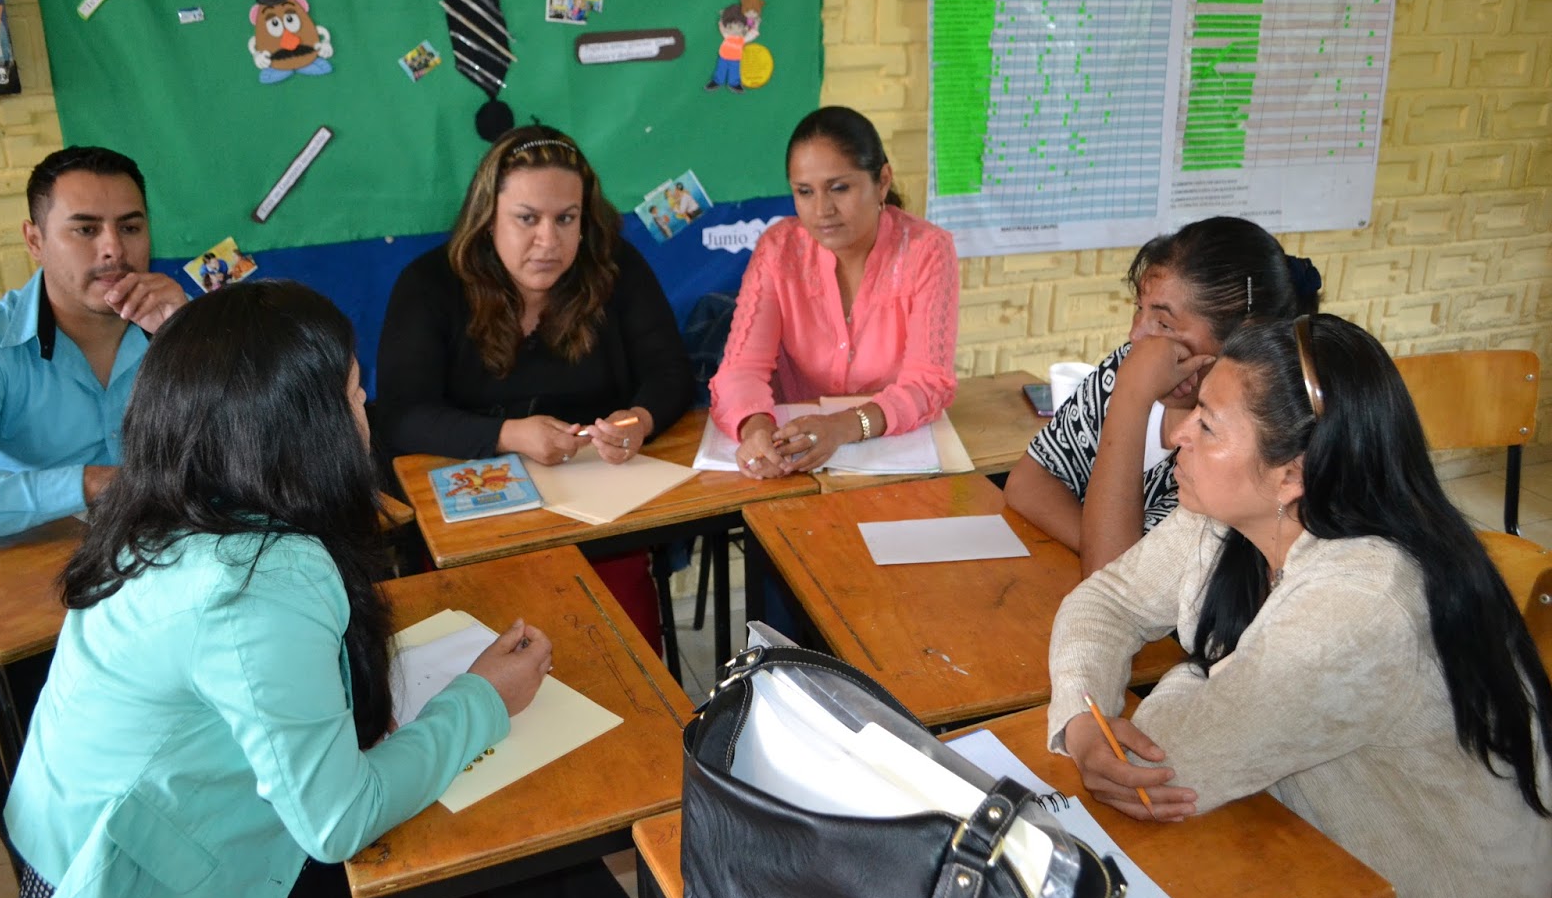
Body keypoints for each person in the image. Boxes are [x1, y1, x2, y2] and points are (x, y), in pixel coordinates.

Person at [2, 282, 635, 898]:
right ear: (302, 433)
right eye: (356, 395)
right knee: (479, 835)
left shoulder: (168, 505)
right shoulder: (257, 578)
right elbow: (338, 822)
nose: (368, 411)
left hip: (119, 847)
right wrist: (482, 698)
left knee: (480, 839)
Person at [1047, 314, 1552, 898]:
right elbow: (1104, 601)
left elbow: (1167, 771)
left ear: (1294, 473)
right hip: (1312, 849)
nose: (1178, 434)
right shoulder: (1232, 511)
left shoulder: (1362, 604)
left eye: (1207, 424)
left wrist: (1190, 675)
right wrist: (1080, 718)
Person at [377, 126, 693, 651]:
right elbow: (401, 414)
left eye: (566, 219)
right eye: (527, 219)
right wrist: (506, 435)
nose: (548, 241)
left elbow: (670, 372)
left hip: (597, 519)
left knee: (618, 656)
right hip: (473, 528)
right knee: (490, 663)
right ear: (488, 217)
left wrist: (637, 421)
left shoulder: (615, 267)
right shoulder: (429, 284)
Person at [1005, 217, 1319, 576]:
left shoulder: (1244, 442)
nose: (1137, 335)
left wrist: (1130, 399)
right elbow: (1027, 483)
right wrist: (1099, 541)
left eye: (1164, 324)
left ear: (1242, 339)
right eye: (1140, 309)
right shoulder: (1128, 366)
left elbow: (1113, 576)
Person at [0, 146, 186, 545]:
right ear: (35, 240)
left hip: (181, 561)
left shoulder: (184, 323)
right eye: (86, 229)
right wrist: (89, 484)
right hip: (37, 574)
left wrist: (191, 339)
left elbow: (276, 455)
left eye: (130, 228)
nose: (113, 249)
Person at [710, 105, 958, 478]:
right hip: (794, 462)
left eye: (839, 188)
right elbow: (740, 369)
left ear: (883, 181)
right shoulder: (779, 249)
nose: (822, 209)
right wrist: (757, 429)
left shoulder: (927, 251)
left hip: (893, 461)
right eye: (805, 192)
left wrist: (844, 427)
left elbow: (928, 382)